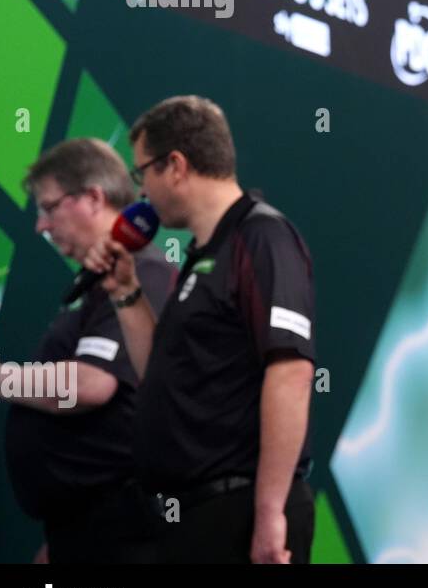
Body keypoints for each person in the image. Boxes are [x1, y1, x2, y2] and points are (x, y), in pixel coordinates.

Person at [83, 95, 317, 563]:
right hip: (193, 516)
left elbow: (291, 372)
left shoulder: (262, 238)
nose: (140, 192)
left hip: (240, 511)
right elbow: (164, 375)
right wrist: (125, 292)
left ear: (176, 165)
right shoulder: (204, 255)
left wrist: (270, 512)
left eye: (141, 173)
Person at [0, 138, 176, 563]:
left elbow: (90, 385)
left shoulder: (142, 275)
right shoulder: (98, 285)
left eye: (49, 208)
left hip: (123, 535)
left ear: (93, 198)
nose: (40, 226)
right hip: (84, 531)